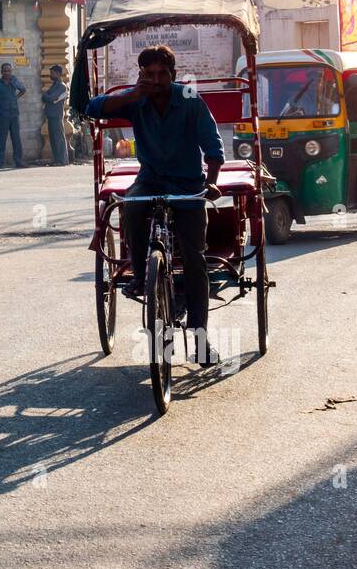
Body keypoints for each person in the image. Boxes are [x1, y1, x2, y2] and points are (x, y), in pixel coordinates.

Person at [86, 44, 224, 366]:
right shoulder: (137, 100)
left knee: (195, 260)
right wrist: (131, 96)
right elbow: (92, 108)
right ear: (141, 75)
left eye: (162, 74)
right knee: (131, 205)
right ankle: (138, 270)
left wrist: (212, 180)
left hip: (188, 184)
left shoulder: (189, 98)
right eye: (149, 74)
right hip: (150, 178)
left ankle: (201, 340)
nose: (156, 80)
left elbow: (212, 144)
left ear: (172, 75)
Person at [0, 62, 27, 167]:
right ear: (1, 72)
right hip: (2, 115)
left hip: (14, 114)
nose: (7, 72)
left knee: (16, 138)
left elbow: (23, 90)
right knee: (1, 139)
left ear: (11, 72)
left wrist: (16, 97)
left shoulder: (14, 81)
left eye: (9, 71)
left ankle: (18, 161)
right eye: (5, 71)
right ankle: (0, 162)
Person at [42, 65, 69, 165]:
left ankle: (62, 160)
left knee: (58, 139)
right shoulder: (54, 85)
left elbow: (50, 98)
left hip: (56, 115)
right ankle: (57, 159)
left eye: (52, 73)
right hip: (51, 115)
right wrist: (46, 96)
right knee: (53, 139)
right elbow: (45, 97)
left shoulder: (61, 86)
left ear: (58, 74)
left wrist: (45, 95)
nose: (51, 75)